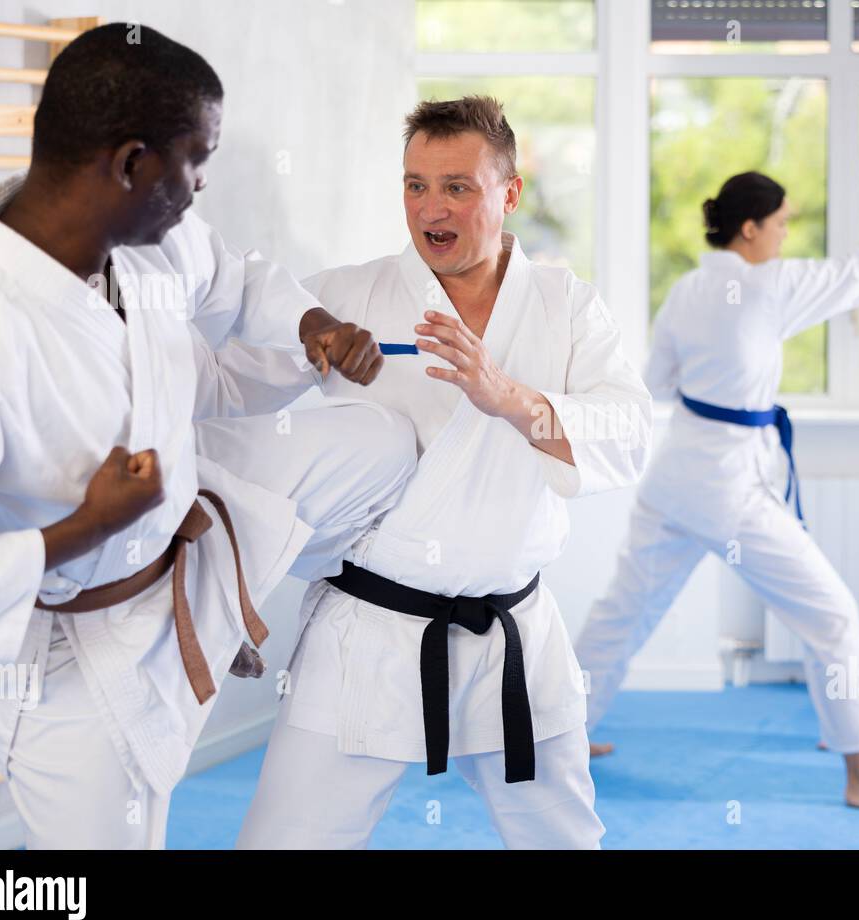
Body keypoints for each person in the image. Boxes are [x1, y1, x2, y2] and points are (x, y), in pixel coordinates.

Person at [0, 23, 416, 848]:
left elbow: (236, 275)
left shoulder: (141, 245)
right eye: (196, 160)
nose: (198, 187)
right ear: (129, 164)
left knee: (381, 446)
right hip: (60, 664)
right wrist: (85, 525)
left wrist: (313, 320)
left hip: (174, 557)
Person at [235, 96, 652, 849]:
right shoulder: (347, 296)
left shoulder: (566, 307)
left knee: (565, 840)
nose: (432, 206)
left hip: (512, 636)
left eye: (458, 186)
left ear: (509, 194)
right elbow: (232, 393)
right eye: (416, 185)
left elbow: (628, 432)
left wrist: (508, 397)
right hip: (367, 633)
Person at [573, 171, 859, 813]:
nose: (787, 236)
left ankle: (558, 737)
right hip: (729, 490)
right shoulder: (769, 285)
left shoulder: (687, 288)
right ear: (751, 228)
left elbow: (660, 383)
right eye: (782, 223)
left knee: (622, 611)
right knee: (833, 616)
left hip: (676, 476)